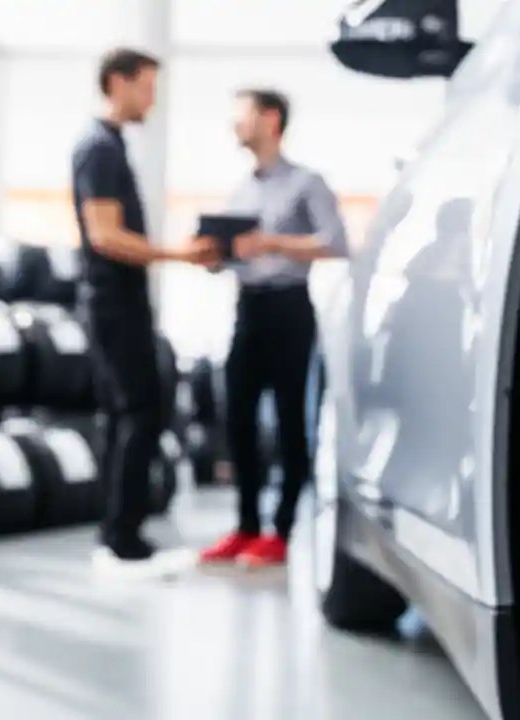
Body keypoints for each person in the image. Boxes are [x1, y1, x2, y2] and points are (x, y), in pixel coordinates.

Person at [73, 48, 219, 571]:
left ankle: (116, 536)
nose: (151, 98)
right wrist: (179, 254)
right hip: (113, 302)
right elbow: (105, 235)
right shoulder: (98, 149)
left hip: (121, 300)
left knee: (124, 414)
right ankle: (123, 540)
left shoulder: (110, 146)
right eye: (146, 87)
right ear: (117, 83)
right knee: (140, 410)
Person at [200, 88, 348, 567]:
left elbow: (335, 243)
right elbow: (238, 254)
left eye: (241, 115)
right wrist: (217, 256)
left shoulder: (307, 183)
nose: (234, 125)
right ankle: (245, 526)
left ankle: (281, 532)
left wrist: (272, 243)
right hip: (248, 308)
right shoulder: (241, 190)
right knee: (237, 418)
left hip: (289, 310)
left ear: (270, 119)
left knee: (289, 423)